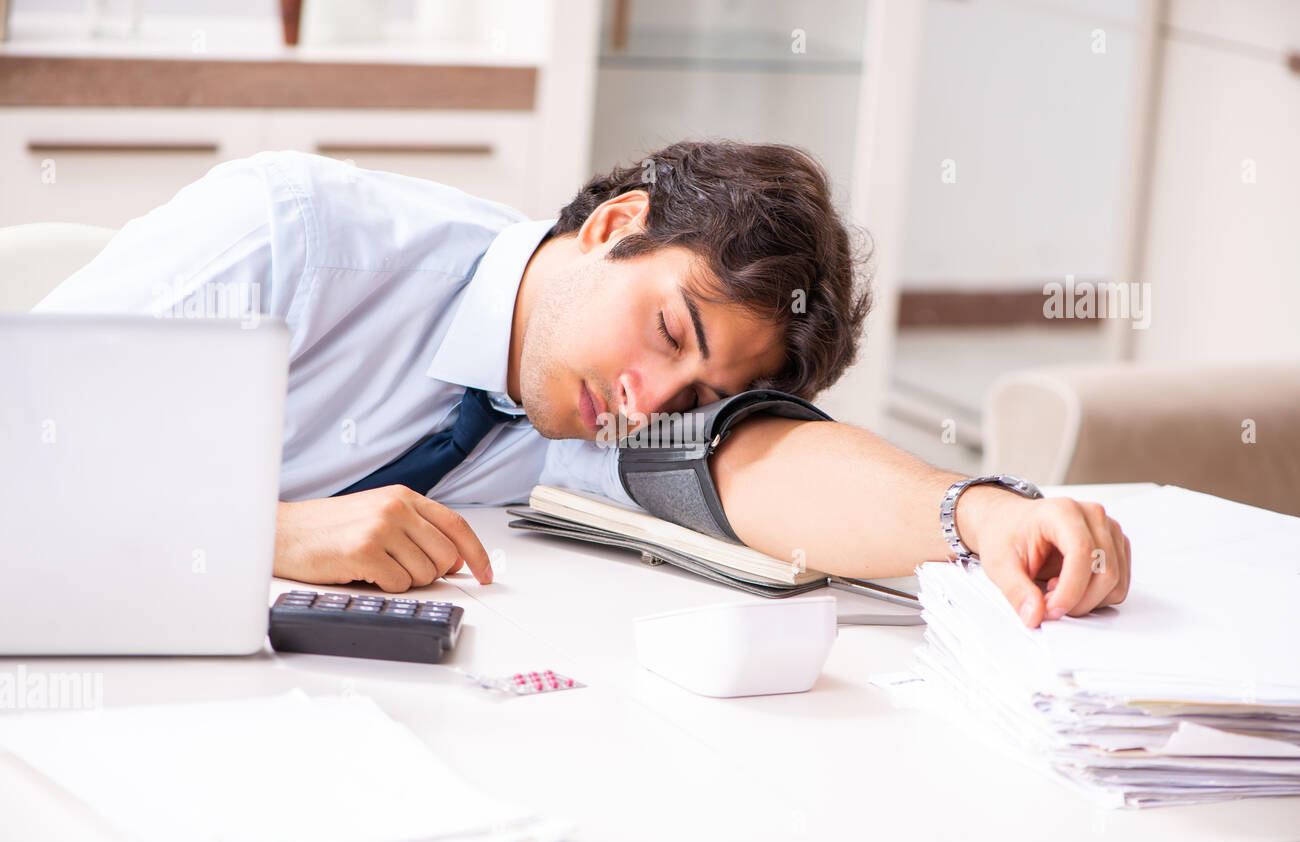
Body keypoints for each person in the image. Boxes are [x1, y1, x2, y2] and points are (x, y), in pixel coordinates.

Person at [35, 141, 1129, 628]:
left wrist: (978, 513)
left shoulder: (607, 415)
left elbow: (770, 461)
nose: (651, 402)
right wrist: (263, 530)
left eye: (693, 392)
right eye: (670, 329)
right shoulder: (297, 235)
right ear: (613, 225)